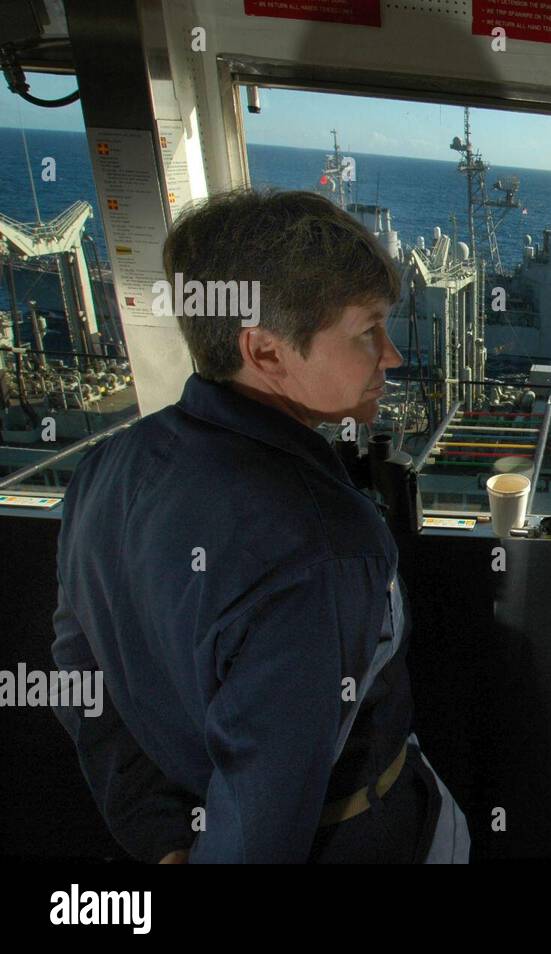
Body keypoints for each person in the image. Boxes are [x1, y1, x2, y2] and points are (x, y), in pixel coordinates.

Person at [50, 189, 468, 863]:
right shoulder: (325, 547)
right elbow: (262, 814)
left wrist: (161, 837)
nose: (389, 357)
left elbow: (80, 676)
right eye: (367, 331)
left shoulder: (105, 468)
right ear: (267, 353)